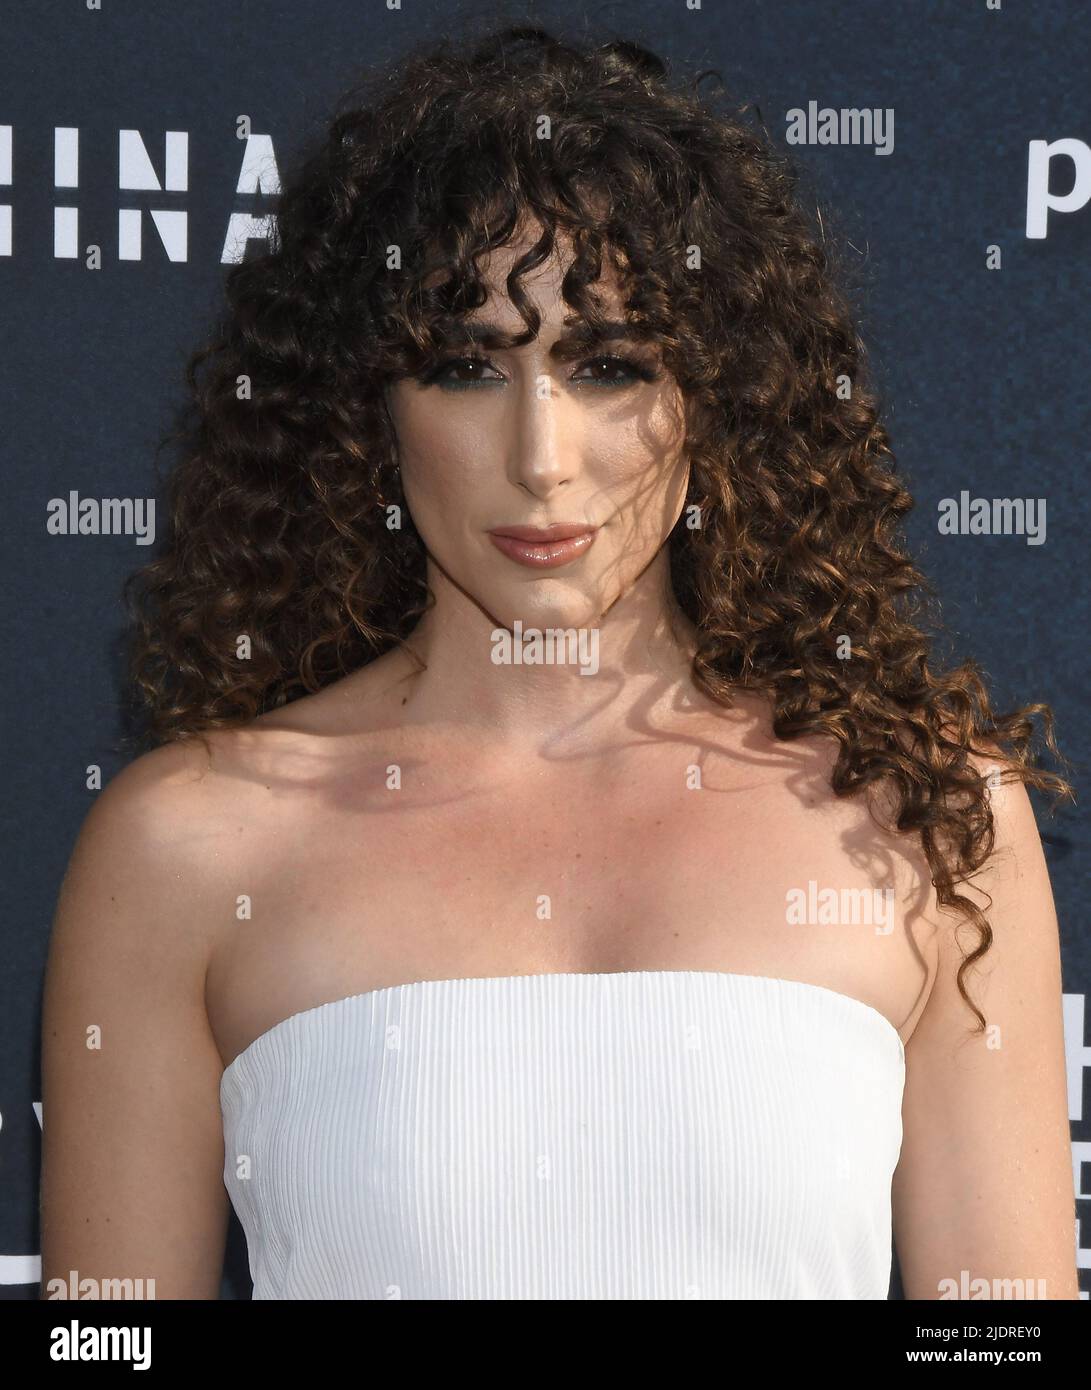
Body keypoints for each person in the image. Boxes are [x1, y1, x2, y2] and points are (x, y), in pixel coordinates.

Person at [39, 24, 1079, 1300]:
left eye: (609, 364)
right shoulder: (191, 845)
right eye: (467, 366)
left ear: (720, 392)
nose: (542, 456)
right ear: (368, 405)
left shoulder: (926, 816)